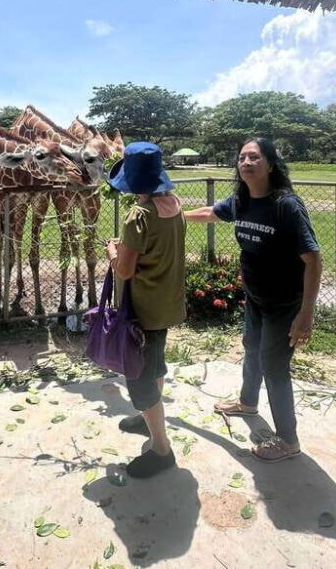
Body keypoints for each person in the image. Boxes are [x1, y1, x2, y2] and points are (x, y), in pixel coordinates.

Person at [184, 137, 322, 462]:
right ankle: (248, 403)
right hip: (257, 298)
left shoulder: (285, 205)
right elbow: (210, 213)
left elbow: (313, 259)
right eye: (242, 157)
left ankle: (288, 440)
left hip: (285, 303)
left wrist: (306, 314)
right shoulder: (242, 200)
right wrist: (178, 216)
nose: (246, 162)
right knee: (251, 348)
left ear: (270, 165)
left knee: (274, 368)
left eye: (254, 157)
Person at [105, 141, 186, 479]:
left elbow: (124, 270)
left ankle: (161, 449)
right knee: (155, 364)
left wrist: (112, 250)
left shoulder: (139, 215)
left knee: (139, 377)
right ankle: (148, 421)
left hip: (141, 310)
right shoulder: (175, 205)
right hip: (166, 304)